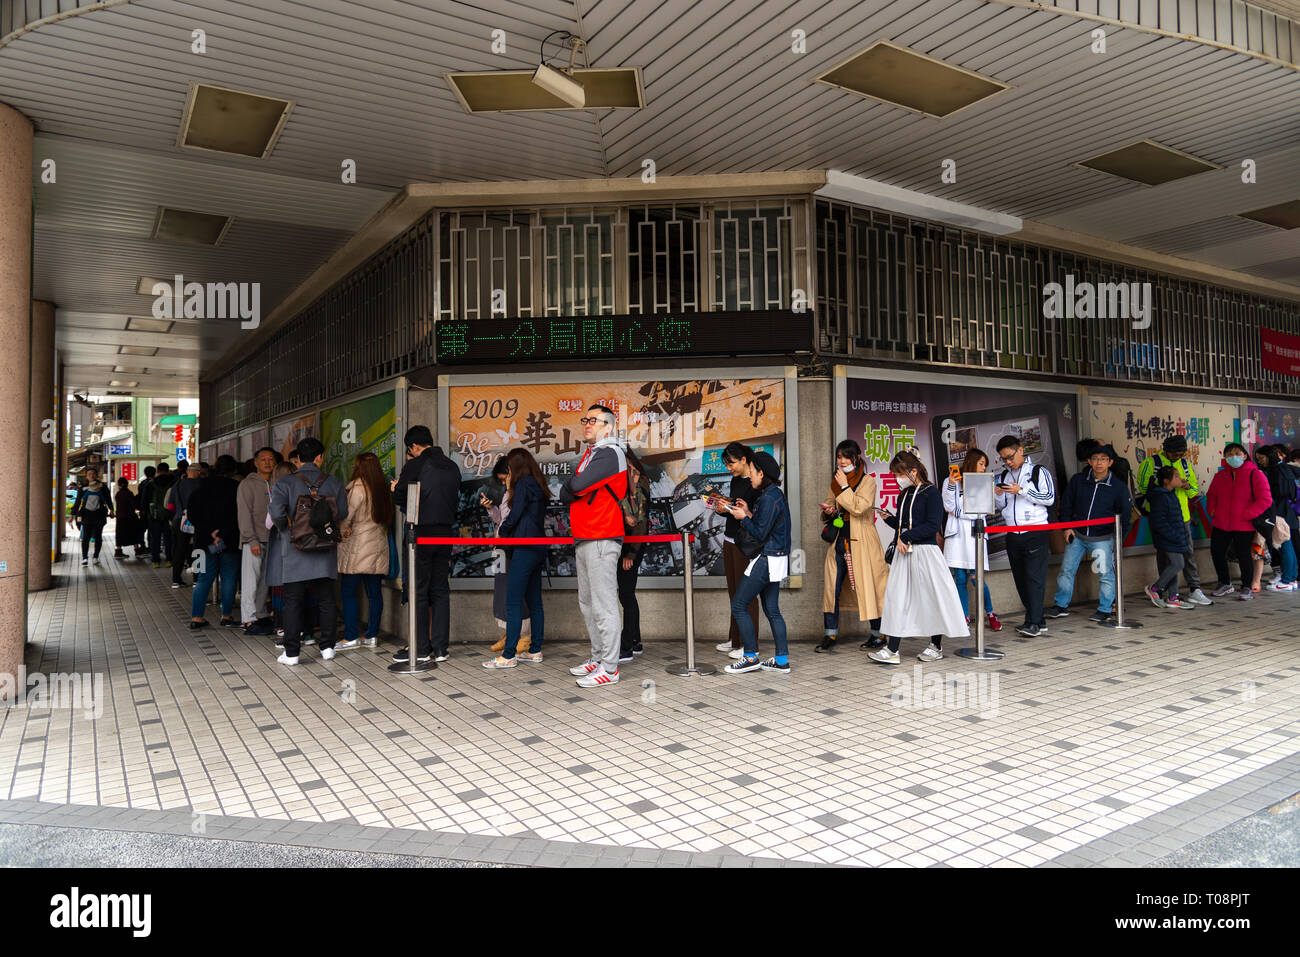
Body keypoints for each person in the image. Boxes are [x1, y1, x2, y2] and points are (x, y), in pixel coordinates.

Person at [869, 451, 970, 664]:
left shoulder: (931, 492)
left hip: (925, 552)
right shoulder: (903, 494)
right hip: (904, 553)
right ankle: (892, 649)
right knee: (897, 598)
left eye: (900, 473)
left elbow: (932, 525)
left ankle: (936, 646)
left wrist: (905, 535)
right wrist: (890, 520)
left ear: (914, 471)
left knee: (931, 598)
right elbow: (905, 524)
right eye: (895, 474)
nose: (898, 479)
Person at [561, 404, 629, 688]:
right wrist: (572, 488)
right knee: (589, 604)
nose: (587, 424)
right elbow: (570, 491)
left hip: (602, 536)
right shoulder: (593, 454)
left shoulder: (610, 453)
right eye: (585, 419)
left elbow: (574, 487)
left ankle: (610, 668)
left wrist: (572, 487)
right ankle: (599, 657)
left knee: (604, 605)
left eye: (594, 420)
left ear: (609, 426)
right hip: (587, 536)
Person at [270, 438, 348, 664]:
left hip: (296, 549)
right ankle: (327, 648)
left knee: (293, 601)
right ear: (319, 457)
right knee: (326, 599)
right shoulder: (333, 482)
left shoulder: (285, 483)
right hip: (324, 548)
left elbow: (276, 512)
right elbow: (341, 512)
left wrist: (289, 529)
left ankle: (292, 653)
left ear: (297, 459)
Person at [391, 425, 461, 664]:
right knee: (440, 589)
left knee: (419, 591)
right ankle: (440, 648)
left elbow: (401, 496)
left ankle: (421, 648)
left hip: (420, 533)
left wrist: (394, 488)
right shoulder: (452, 466)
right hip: (445, 533)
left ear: (414, 447)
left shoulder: (415, 465)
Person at [722, 451, 792, 675]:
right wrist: (748, 512)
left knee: (739, 605)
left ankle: (750, 656)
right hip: (776, 558)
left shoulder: (770, 497)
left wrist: (743, 518)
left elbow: (760, 533)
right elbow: (765, 524)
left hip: (766, 558)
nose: (750, 476)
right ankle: (781, 659)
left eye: (752, 472)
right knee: (772, 609)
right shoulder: (773, 495)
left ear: (762, 473)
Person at [1047, 444, 1132, 624]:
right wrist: (1067, 527)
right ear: (1089, 461)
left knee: (1105, 574)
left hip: (1103, 538)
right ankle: (1060, 605)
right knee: (1066, 571)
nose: (1099, 462)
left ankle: (1105, 609)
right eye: (1095, 458)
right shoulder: (1078, 480)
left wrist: (1118, 538)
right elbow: (1067, 505)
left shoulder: (1117, 486)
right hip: (1076, 536)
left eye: (1103, 459)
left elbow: (1125, 515)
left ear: (1110, 462)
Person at [817, 439, 889, 653]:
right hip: (839, 540)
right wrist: (828, 511)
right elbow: (829, 504)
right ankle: (830, 633)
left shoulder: (868, 481)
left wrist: (845, 487)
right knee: (832, 589)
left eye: (845, 457)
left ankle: (878, 634)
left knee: (870, 587)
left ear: (856, 458)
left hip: (863, 542)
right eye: (839, 457)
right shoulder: (835, 482)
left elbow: (859, 507)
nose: (841, 461)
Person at [483, 448, 549, 669]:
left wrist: (502, 533)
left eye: (509, 467)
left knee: (512, 601)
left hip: (524, 547)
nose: (508, 472)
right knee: (534, 602)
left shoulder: (523, 485)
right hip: (538, 547)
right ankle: (535, 650)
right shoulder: (537, 483)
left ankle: (509, 654)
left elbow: (514, 514)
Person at [1136, 434, 1212, 605]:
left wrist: (1185, 486)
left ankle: (1194, 589)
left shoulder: (1184, 465)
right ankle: (1166, 592)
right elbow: (1142, 487)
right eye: (1174, 454)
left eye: (1181, 454)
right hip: (1160, 516)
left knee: (1188, 553)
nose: (1178, 457)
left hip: (1182, 517)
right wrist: (1164, 485)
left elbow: (1194, 490)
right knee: (1165, 555)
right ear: (1165, 450)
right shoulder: (1151, 463)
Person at [994, 434, 1056, 637]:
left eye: (1010, 457)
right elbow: (1002, 506)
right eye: (1004, 459)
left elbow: (1049, 498)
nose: (1008, 462)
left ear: (1020, 450)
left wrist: (1022, 491)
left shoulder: (1038, 471)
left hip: (1035, 530)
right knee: (1021, 579)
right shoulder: (1003, 475)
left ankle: (1033, 623)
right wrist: (999, 495)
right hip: (1012, 533)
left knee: (1034, 578)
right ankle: (1038, 618)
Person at [707, 443, 760, 659]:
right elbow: (734, 509)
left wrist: (734, 509)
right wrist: (722, 507)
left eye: (732, 463)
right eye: (727, 464)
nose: (730, 468)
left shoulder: (755, 482)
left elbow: (752, 513)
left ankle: (749, 644)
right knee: (734, 592)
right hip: (730, 538)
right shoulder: (736, 479)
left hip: (745, 542)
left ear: (745, 459)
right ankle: (735, 638)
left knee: (746, 594)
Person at [942, 448, 1002, 632]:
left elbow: (981, 511)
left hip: (974, 535)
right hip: (957, 536)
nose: (984, 468)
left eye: (985, 465)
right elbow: (948, 505)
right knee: (960, 578)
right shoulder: (952, 480)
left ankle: (990, 613)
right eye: (982, 463)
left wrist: (959, 513)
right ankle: (964, 617)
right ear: (972, 462)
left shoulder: (984, 483)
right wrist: (952, 486)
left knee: (977, 578)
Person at [338, 451, 393, 650]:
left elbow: (346, 517)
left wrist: (342, 532)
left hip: (358, 546)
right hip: (378, 542)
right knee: (374, 593)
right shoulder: (382, 488)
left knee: (348, 592)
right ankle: (372, 635)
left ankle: (351, 636)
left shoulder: (357, 489)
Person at [1206, 442, 1272, 601]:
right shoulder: (1221, 475)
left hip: (1244, 523)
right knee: (1217, 552)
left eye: (1237, 453)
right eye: (1229, 454)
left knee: (1244, 555)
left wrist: (1248, 514)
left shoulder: (1255, 474)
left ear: (1244, 455)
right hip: (1221, 522)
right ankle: (1224, 583)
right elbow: (1211, 495)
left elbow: (1265, 500)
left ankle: (1246, 587)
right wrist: (1212, 510)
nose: (1233, 456)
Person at [186, 455, 242, 629]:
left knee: (203, 579)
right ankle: (226, 616)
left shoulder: (200, 488)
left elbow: (192, 516)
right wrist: (222, 533)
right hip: (230, 541)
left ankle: (196, 617)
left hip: (202, 543)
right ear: (233, 470)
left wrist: (210, 532)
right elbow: (239, 515)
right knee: (229, 578)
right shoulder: (237, 488)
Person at [482, 456, 529, 655]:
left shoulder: (521, 493)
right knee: (501, 590)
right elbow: (502, 520)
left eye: (504, 478)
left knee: (516, 592)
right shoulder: (507, 494)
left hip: (514, 548)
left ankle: (524, 636)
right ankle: (509, 632)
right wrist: (491, 508)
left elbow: (512, 522)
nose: (503, 482)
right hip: (502, 547)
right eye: (500, 480)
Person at [237, 447, 277, 635]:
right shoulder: (248, 484)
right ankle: (248, 620)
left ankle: (260, 615)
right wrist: (251, 539)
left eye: (271, 459)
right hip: (253, 540)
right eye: (263, 459)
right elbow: (244, 514)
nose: (267, 462)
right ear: (255, 463)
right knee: (250, 582)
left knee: (264, 582)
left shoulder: (277, 483)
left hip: (272, 539)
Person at [617, 449, 651, 662]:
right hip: (622, 545)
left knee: (626, 595)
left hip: (631, 547)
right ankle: (635, 640)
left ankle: (627, 645)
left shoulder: (639, 488)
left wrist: (631, 553)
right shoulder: (626, 484)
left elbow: (640, 524)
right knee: (625, 594)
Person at [1146, 466, 1194, 609]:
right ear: (1167, 481)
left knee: (1172, 566)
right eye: (1177, 476)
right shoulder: (1160, 497)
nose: (1180, 479)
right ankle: (1155, 589)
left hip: (1175, 537)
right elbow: (1159, 522)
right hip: (1169, 539)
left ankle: (1173, 597)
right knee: (1177, 564)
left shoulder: (1170, 494)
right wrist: (1175, 536)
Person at [1257, 445, 1299, 592]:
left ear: (1270, 456)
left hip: (1280, 514)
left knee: (1285, 546)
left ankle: (1287, 580)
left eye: (1262, 458)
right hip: (1288, 513)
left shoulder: (1277, 471)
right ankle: (1292, 579)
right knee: (1290, 547)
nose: (1261, 461)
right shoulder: (1285, 469)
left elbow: (1278, 493)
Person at [265, 461, 296, 643]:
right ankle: (304, 630)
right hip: (303, 549)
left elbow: (269, 523)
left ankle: (285, 628)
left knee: (285, 592)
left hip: (283, 549)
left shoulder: (277, 494)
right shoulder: (303, 490)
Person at [72, 468, 114, 566]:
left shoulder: (103, 487)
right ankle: (84, 557)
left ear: (96, 475)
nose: (91, 475)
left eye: (93, 474)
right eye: (89, 474)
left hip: (99, 515)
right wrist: (72, 514)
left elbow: (108, 499)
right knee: (86, 537)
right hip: (86, 515)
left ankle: (96, 556)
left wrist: (112, 510)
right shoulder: (82, 488)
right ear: (86, 477)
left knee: (98, 537)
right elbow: (78, 501)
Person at [169, 461, 200, 588]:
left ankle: (176, 580)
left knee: (179, 550)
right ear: (198, 473)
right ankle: (197, 579)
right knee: (197, 549)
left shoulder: (177, 484)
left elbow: (170, 505)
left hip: (179, 520)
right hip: (197, 521)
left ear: (187, 472)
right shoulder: (201, 484)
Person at [146, 460, 176, 567]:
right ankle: (169, 560)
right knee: (169, 538)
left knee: (155, 538)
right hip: (170, 515)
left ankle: (155, 561)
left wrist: (146, 513)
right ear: (168, 471)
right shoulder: (174, 482)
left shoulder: (151, 483)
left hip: (154, 514)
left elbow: (145, 500)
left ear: (157, 471)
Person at [113, 477, 140, 559]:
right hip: (130, 516)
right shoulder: (129, 493)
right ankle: (137, 550)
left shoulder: (118, 494)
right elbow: (134, 504)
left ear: (119, 485)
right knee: (133, 533)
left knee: (120, 534)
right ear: (126, 484)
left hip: (120, 517)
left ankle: (118, 551)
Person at [136, 465, 156, 556]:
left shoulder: (142, 484)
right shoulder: (156, 483)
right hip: (153, 510)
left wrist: (141, 508)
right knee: (152, 530)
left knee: (141, 529)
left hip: (143, 509)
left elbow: (140, 496)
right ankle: (151, 547)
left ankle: (142, 546)